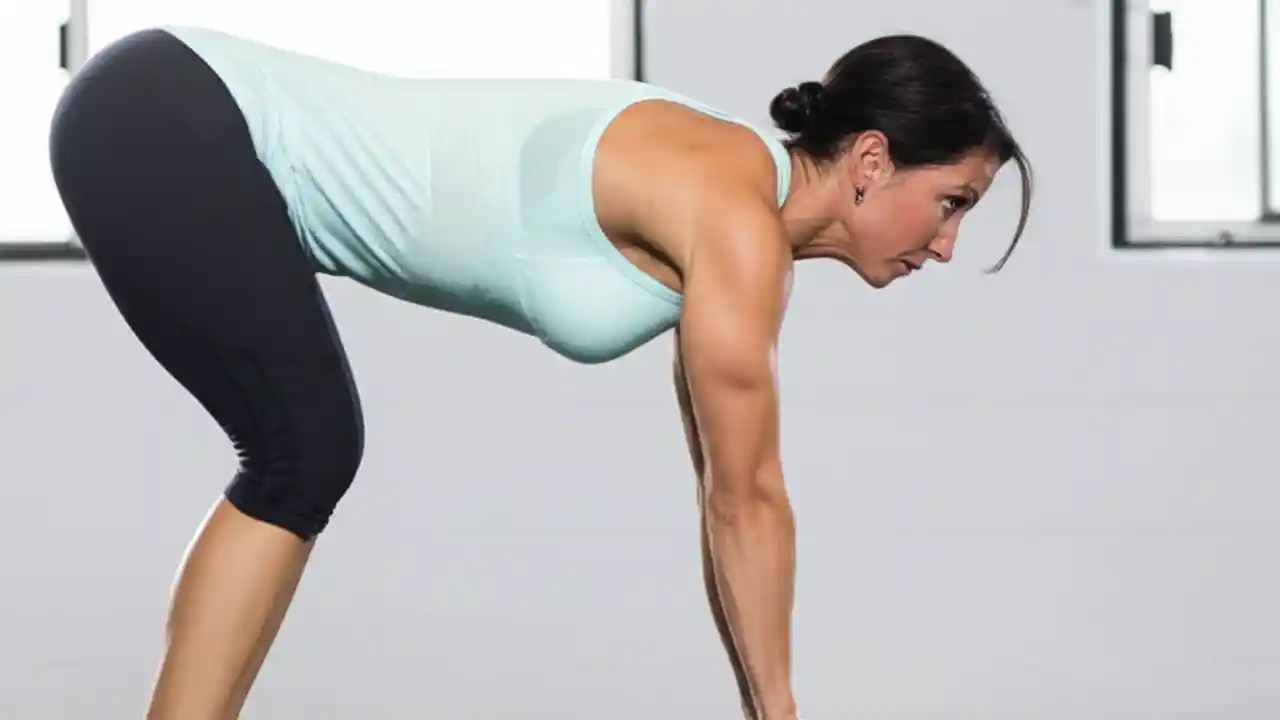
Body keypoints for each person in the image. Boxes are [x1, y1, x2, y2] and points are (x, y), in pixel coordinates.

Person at [48, 23, 1031, 720]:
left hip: (165, 112)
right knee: (305, 449)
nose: (944, 244)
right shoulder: (733, 216)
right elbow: (749, 501)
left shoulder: (734, 220)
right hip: (173, 116)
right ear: (869, 160)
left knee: (301, 450)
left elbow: (721, 502)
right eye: (952, 202)